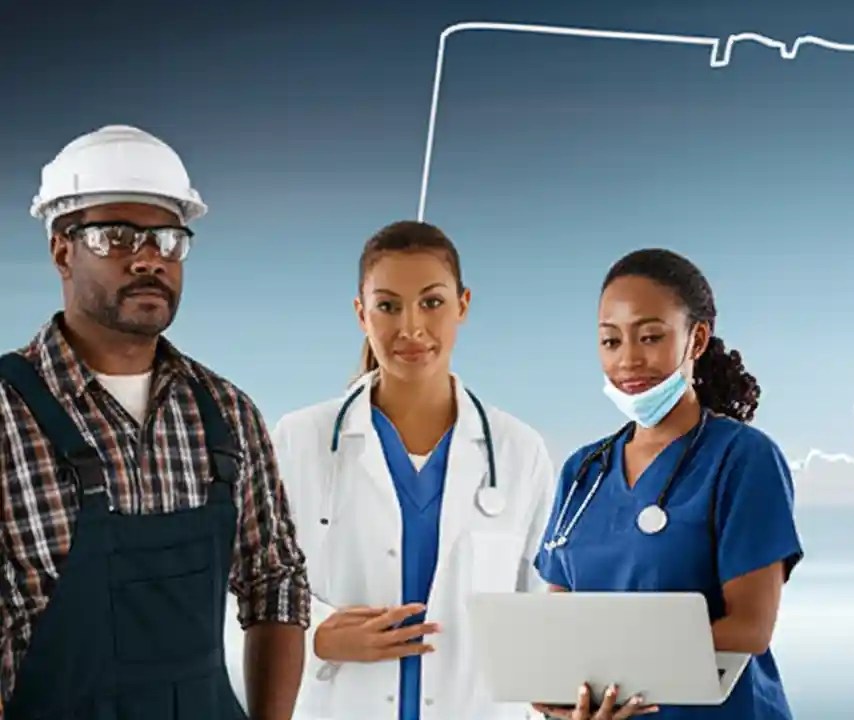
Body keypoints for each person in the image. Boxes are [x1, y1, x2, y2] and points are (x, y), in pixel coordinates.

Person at [0, 125, 309, 720]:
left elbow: (275, 582)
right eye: (117, 236)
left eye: (168, 239)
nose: (149, 257)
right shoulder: (8, 418)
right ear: (62, 250)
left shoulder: (226, 415)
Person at [260, 220, 557, 719]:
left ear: (463, 304)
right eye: (388, 305)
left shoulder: (518, 451)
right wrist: (317, 634)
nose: (411, 327)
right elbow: (246, 589)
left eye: (432, 302)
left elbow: (545, 612)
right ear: (361, 313)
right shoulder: (299, 439)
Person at [531, 248, 804, 720]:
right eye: (611, 341)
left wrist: (616, 664)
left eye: (651, 336)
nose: (628, 360)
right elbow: (562, 627)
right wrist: (564, 696)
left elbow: (750, 628)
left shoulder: (742, 459)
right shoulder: (583, 471)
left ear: (696, 339)